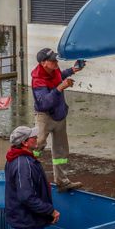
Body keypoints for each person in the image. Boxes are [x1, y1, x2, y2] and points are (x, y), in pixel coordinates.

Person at [31, 47, 83, 190]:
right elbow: (44, 103)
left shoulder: (54, 71)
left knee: (61, 151)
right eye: (52, 60)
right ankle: (26, 174)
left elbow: (60, 75)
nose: (56, 62)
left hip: (59, 115)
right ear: (43, 63)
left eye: (56, 59)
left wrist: (73, 70)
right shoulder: (38, 80)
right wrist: (60, 87)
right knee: (38, 145)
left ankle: (62, 181)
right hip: (44, 118)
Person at [4, 125, 60, 229]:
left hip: (24, 220)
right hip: (29, 223)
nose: (36, 138)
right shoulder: (24, 164)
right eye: (32, 137)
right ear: (24, 143)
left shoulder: (14, 158)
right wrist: (50, 210)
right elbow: (26, 197)